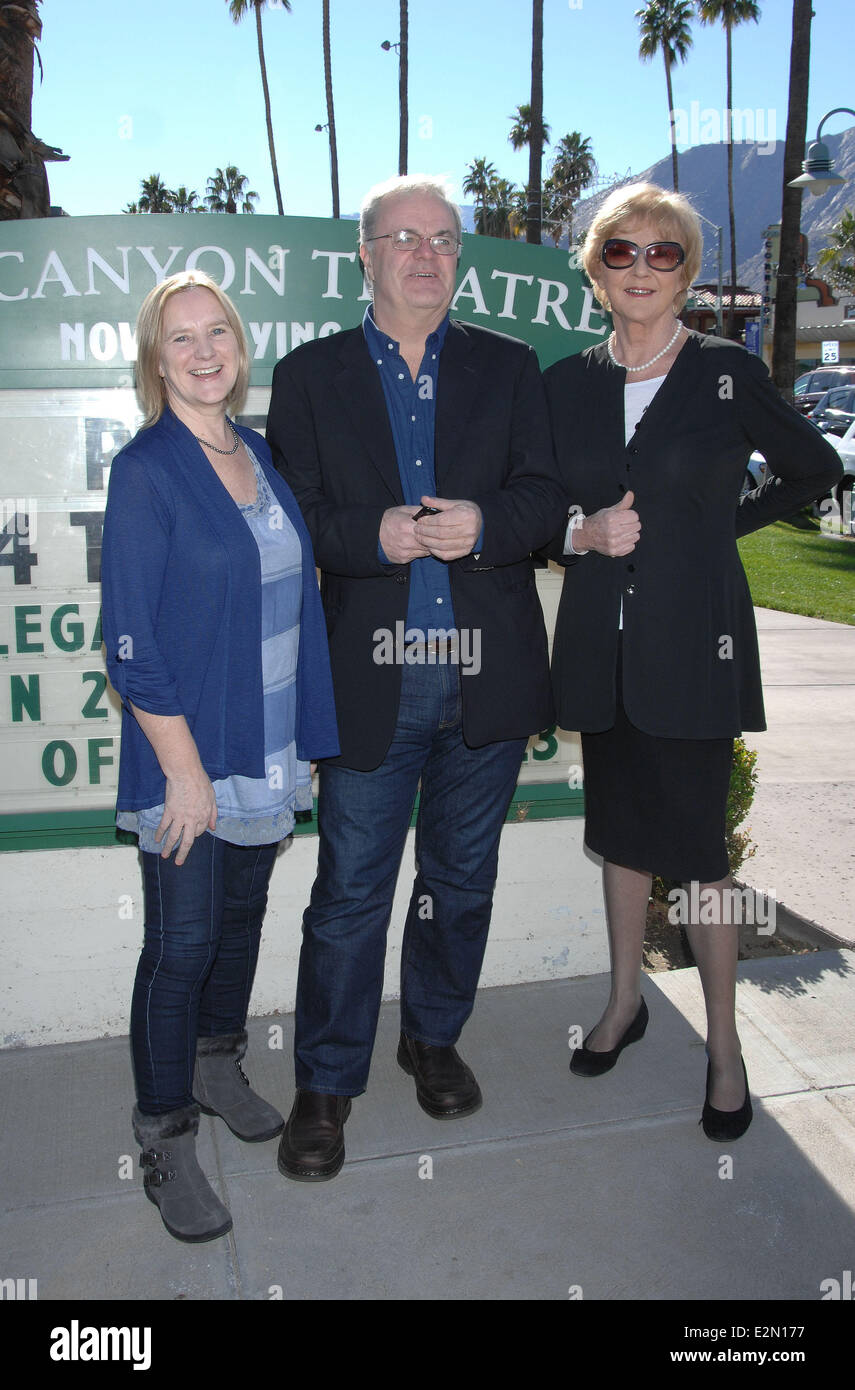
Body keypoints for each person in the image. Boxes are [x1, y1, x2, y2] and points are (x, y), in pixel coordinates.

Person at [266, 173, 565, 1180]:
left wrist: (486, 526)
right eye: (405, 238)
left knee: (460, 881)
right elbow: (293, 514)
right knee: (349, 891)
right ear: (366, 253)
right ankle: (325, 1083)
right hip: (370, 678)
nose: (426, 255)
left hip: (484, 675)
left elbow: (544, 497)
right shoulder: (310, 375)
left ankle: (432, 1038)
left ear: (459, 257)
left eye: (443, 238)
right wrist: (373, 535)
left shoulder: (511, 365)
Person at [545, 183, 842, 1140]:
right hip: (601, 651)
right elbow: (532, 507)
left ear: (685, 271)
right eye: (621, 251)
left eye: (662, 253)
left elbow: (815, 469)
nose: (640, 267)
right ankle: (625, 1002)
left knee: (702, 858)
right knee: (622, 834)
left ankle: (723, 1047)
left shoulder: (724, 372)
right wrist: (579, 533)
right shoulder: (567, 382)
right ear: (595, 269)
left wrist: (720, 527)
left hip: (696, 650)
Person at [101, 271, 338, 1240]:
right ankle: (163, 1134)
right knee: (183, 944)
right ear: (157, 362)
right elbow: (128, 637)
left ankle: (216, 1061)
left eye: (218, 334)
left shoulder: (264, 454)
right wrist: (184, 770)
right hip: (188, 761)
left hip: (266, 748)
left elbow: (291, 600)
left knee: (241, 920)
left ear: (239, 349)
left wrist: (300, 742)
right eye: (181, 339)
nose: (204, 352)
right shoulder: (147, 468)